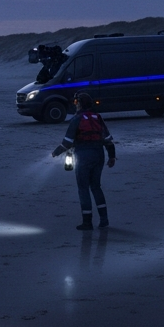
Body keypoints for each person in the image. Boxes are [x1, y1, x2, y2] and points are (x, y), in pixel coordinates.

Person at [51, 93, 116, 229]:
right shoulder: (97, 118)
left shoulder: (77, 119)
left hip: (83, 157)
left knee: (83, 189)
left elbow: (67, 143)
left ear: (80, 104)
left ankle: (87, 222)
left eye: (76, 102)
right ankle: (104, 219)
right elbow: (108, 141)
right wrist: (111, 157)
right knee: (96, 187)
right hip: (99, 155)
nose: (75, 104)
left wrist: (56, 152)